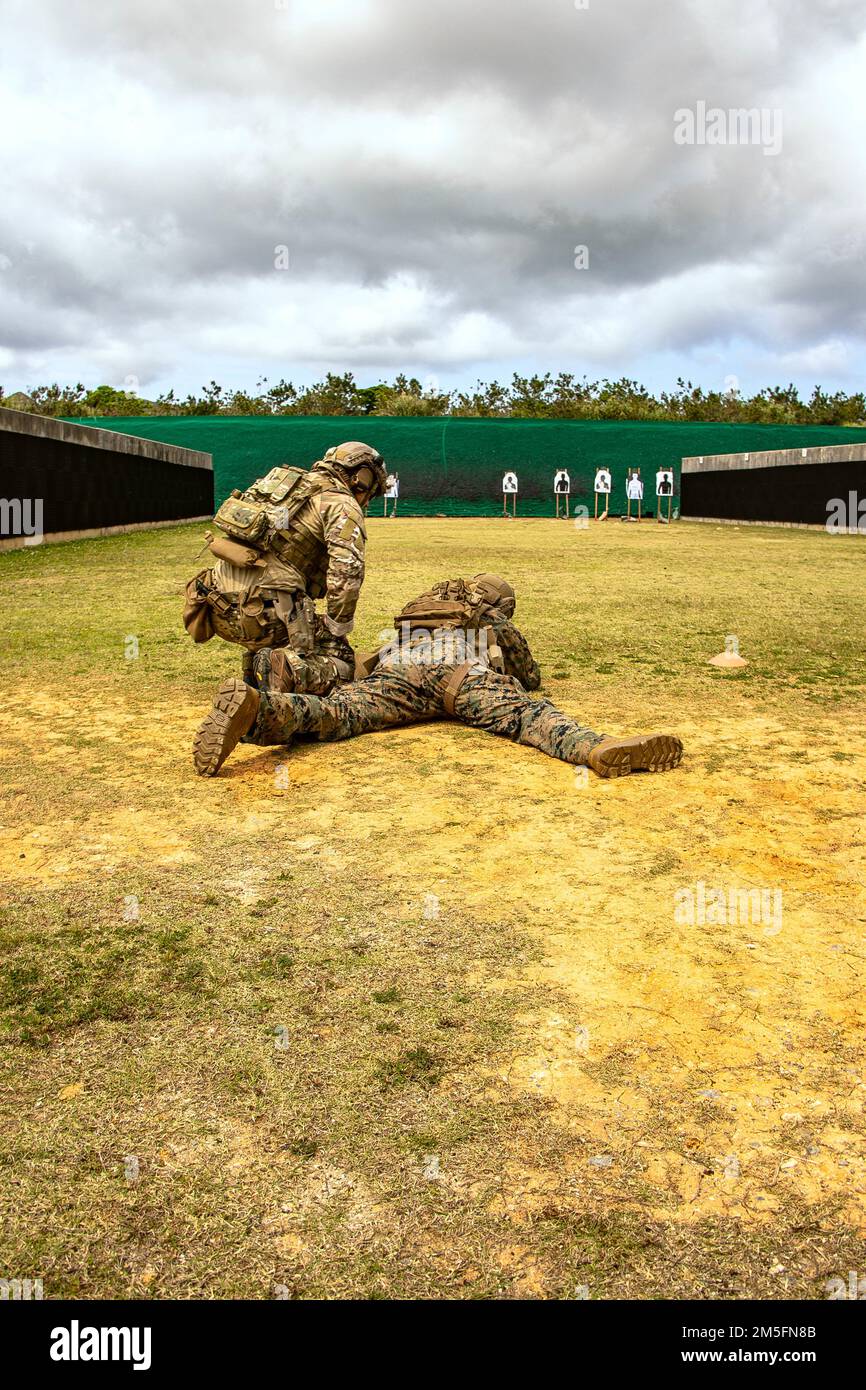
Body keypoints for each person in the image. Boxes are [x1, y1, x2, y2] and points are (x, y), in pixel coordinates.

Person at [193, 574, 683, 780]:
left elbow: (370, 658)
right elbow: (529, 678)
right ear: (498, 605)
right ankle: (594, 748)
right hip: (460, 675)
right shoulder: (489, 623)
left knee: (337, 714)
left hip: (396, 670)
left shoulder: (417, 614)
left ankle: (259, 709)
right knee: (529, 716)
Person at [182, 441, 386, 693]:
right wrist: (337, 627)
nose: (366, 501)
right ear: (361, 478)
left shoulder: (281, 484)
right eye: (370, 492)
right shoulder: (341, 503)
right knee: (341, 658)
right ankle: (284, 671)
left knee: (279, 597)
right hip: (264, 617)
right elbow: (347, 574)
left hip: (213, 608)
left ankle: (255, 667)